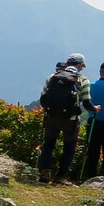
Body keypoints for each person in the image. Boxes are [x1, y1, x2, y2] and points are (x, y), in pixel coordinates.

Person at [36, 53, 97, 184]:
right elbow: (87, 104)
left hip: (51, 117)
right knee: (69, 147)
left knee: (48, 145)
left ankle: (45, 171)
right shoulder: (83, 80)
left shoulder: (52, 77)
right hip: (70, 120)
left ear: (67, 63)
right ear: (80, 65)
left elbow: (43, 100)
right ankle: (61, 176)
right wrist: (95, 109)